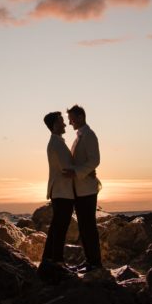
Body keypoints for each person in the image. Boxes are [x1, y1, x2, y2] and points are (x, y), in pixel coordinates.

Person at [64, 104, 102, 272]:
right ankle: (90, 261)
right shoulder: (79, 136)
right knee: (84, 227)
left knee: (89, 227)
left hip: (87, 189)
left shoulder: (89, 135)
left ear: (80, 117)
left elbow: (95, 161)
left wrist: (77, 173)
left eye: (72, 119)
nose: (70, 122)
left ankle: (95, 263)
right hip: (79, 189)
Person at [39, 111, 75, 270]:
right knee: (60, 226)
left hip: (59, 191)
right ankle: (57, 260)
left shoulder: (56, 142)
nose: (65, 124)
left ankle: (48, 259)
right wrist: (85, 171)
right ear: (54, 125)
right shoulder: (57, 143)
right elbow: (67, 168)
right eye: (61, 121)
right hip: (62, 191)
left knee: (56, 226)